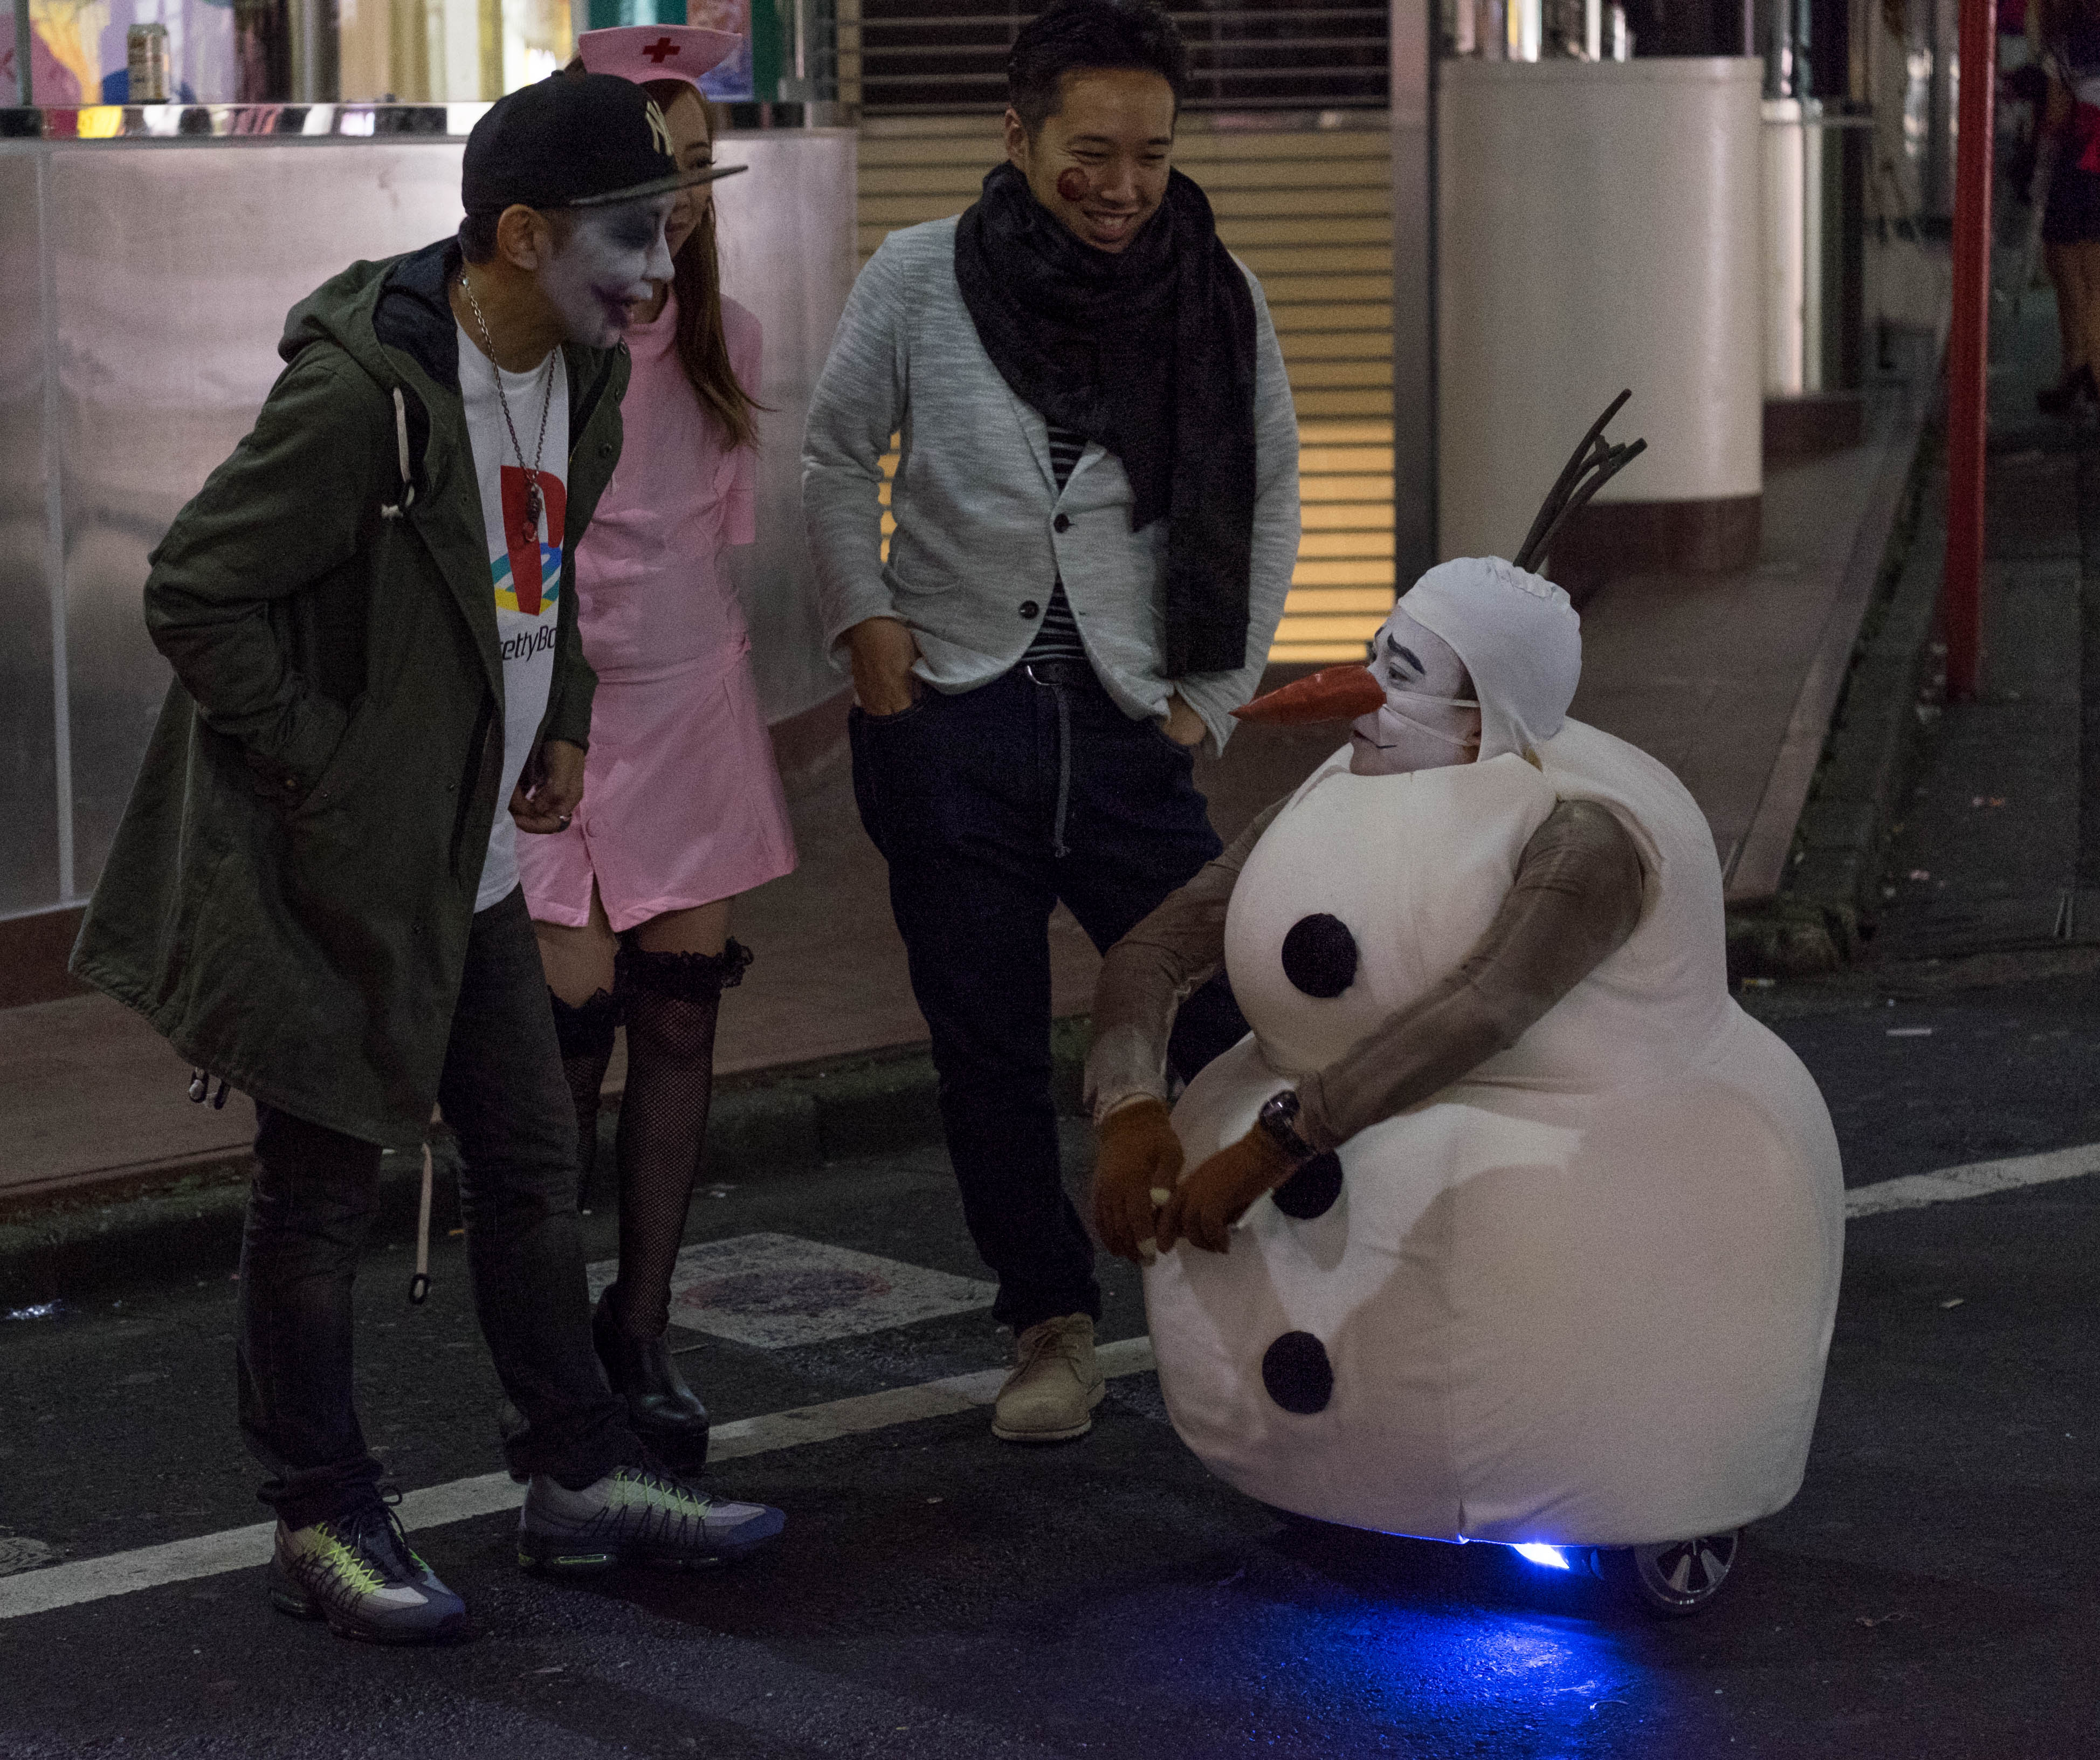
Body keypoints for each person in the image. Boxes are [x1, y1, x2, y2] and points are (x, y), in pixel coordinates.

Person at [69, 74, 784, 1648]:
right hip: (340, 861)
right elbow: (192, 589)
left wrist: (564, 711)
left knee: (531, 1169)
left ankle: (576, 1476)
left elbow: (551, 572)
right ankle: (319, 1511)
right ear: (522, 237)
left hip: (466, 854)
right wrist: (330, 764)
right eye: (627, 238)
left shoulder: (580, 368)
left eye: (666, 229)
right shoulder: (366, 399)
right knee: (317, 1196)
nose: (658, 274)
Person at [1082, 556, 1844, 1556]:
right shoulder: (1331, 793)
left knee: (1559, 1407)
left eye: (1402, 674)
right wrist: (1130, 1103)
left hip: (1569, 1190)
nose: (1357, 692)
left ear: (1488, 711)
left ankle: (1631, 1528)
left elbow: (1487, 1007)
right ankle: (1333, 1485)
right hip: (1329, 1193)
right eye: (1372, 660)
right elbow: (1161, 943)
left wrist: (1278, 1143)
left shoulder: (1586, 833)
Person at [802, 0, 1300, 1446]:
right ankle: (1048, 1322)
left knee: (1222, 1009)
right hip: (955, 714)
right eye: (1090, 151)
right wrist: (867, 627)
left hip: (1137, 721)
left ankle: (1272, 1275)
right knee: (985, 1044)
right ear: (1014, 137)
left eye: (1148, 153)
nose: (1121, 184)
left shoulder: (1215, 291)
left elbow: (1263, 490)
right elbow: (837, 453)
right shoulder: (913, 279)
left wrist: (1211, 698)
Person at [520, 27, 795, 1472]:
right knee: (564, 1046)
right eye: (654, 168)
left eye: (699, 170)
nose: (682, 198)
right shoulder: (529, 344)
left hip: (689, 705)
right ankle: (553, 1352)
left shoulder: (725, 338)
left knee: (681, 1017)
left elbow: (719, 552)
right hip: (555, 718)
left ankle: (645, 1326)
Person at [2036, 0, 2100, 412]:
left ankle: (2083, 368)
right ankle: (2086, 371)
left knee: (2065, 264)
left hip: (2080, 165)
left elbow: (2058, 114)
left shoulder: (2064, 47)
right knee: (2095, 272)